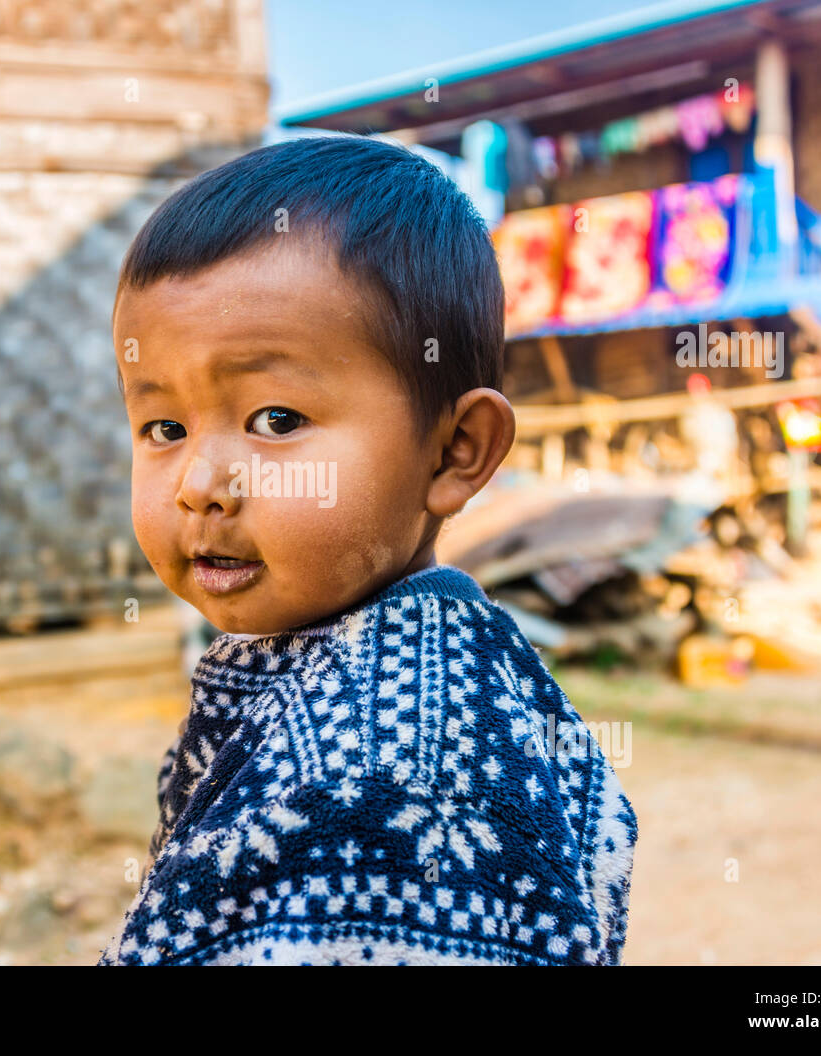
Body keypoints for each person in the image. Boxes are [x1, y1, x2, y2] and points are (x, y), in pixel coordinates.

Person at [99, 134, 638, 966]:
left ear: (456, 450)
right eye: (163, 427)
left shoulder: (387, 788)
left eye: (275, 420)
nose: (200, 483)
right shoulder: (357, 671)